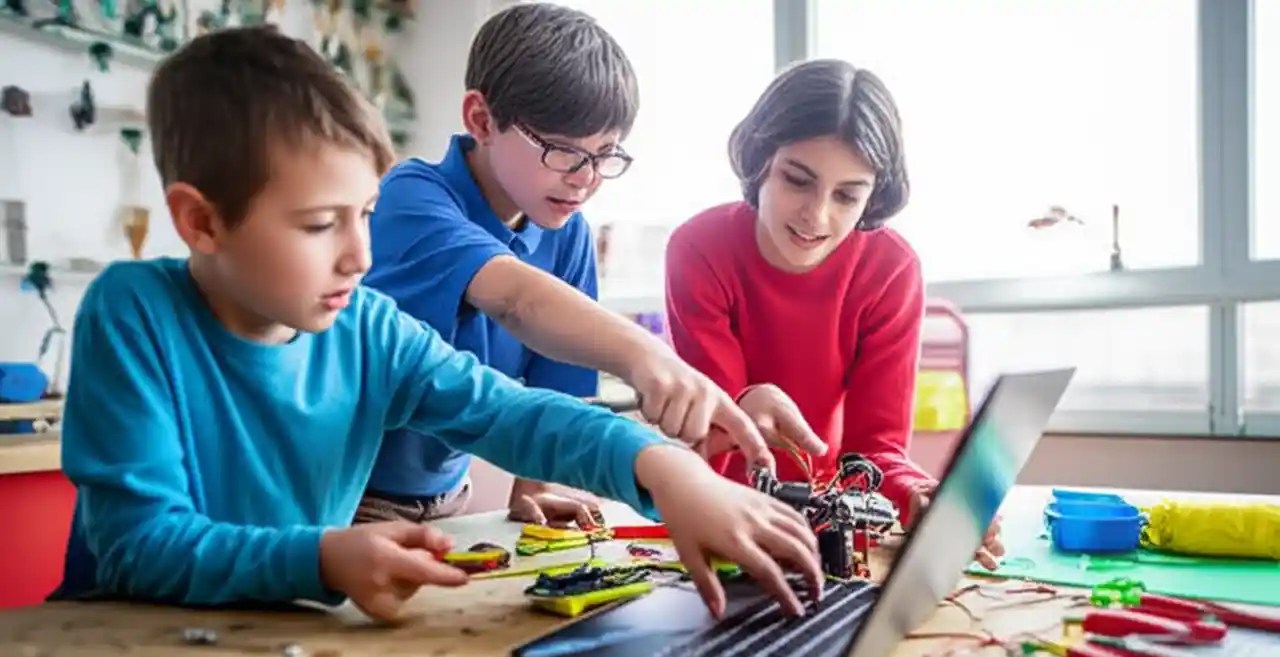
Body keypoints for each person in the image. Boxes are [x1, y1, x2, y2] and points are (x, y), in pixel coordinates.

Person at [50, 26, 825, 623]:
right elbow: (137, 548)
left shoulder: (368, 329)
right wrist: (321, 559)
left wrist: (670, 471)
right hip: (116, 650)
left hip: (264, 640)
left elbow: (513, 412)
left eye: (365, 216)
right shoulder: (135, 312)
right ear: (202, 221)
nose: (360, 254)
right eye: (321, 224)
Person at [358, 2, 824, 529]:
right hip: (352, 492)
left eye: (606, 154)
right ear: (482, 120)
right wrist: (649, 357)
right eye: (562, 151)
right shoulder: (411, 198)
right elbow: (517, 299)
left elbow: (555, 391)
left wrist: (531, 491)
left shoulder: (567, 231)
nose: (586, 178)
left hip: (448, 499)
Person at [664, 59, 1003, 569]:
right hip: (725, 523)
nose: (817, 216)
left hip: (828, 527)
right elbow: (718, 441)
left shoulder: (891, 268)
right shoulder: (700, 248)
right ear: (760, 161)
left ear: (872, 197)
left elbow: (876, 451)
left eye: (847, 196)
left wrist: (916, 496)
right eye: (797, 180)